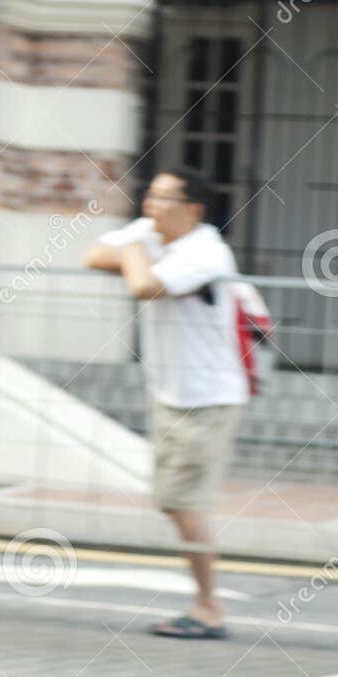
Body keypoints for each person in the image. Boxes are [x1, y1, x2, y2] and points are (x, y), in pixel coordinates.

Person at [83, 169, 249, 639]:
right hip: (171, 393)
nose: (150, 208)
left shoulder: (206, 252)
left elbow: (142, 286)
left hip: (207, 397)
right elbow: (92, 254)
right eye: (149, 197)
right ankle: (205, 601)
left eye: (163, 199)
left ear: (193, 208)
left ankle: (208, 608)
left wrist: (135, 253)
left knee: (183, 500)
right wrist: (141, 256)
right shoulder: (155, 234)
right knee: (175, 502)